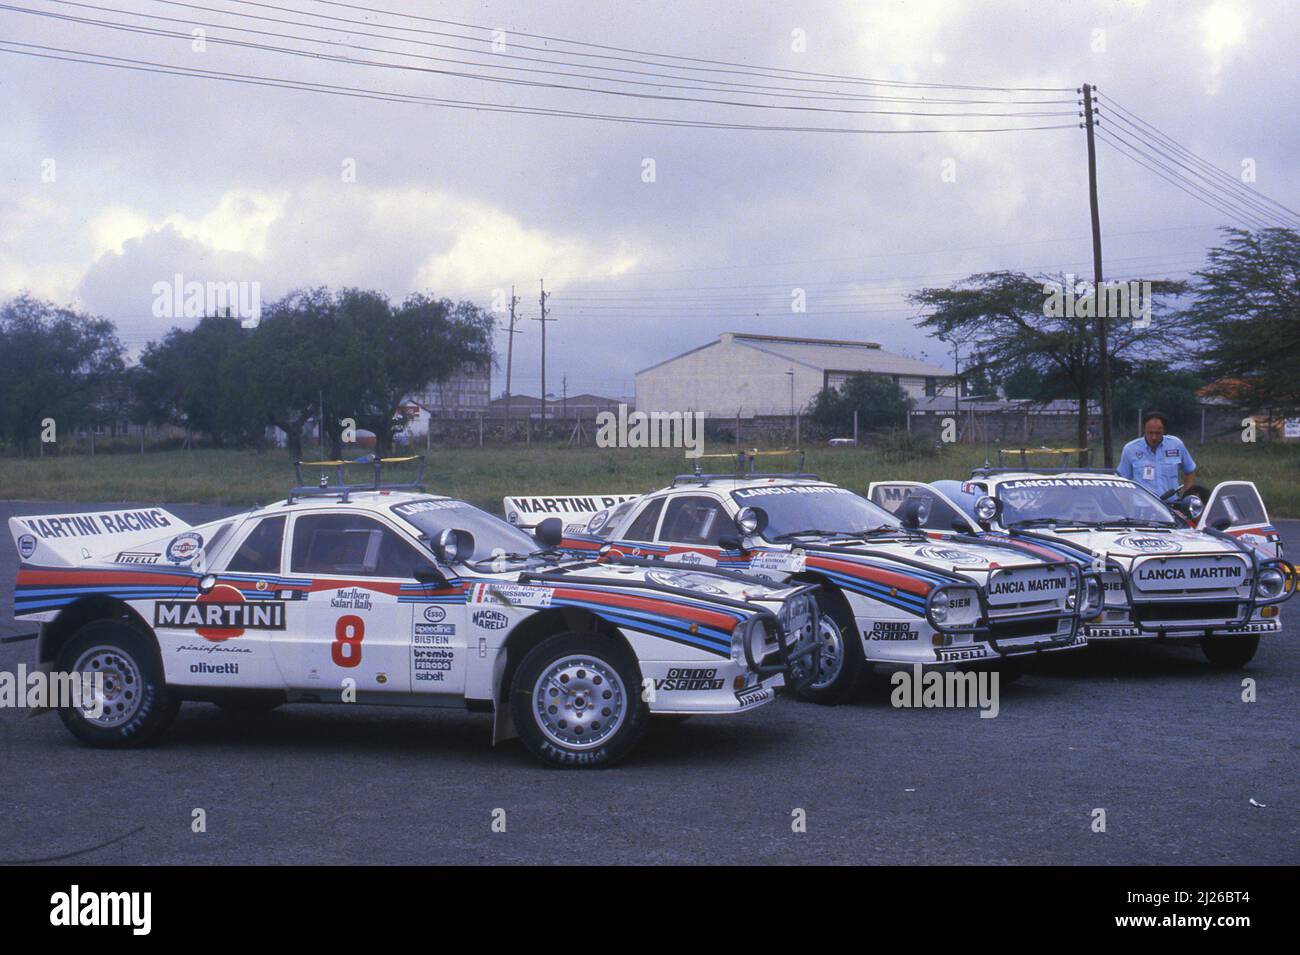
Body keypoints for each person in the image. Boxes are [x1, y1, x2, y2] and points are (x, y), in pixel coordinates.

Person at [1116, 411, 1197, 498]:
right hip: (1142, 504)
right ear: (1144, 430)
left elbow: (1190, 471)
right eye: (1150, 433)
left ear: (1164, 430)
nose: (1154, 437)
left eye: (1158, 433)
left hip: (1171, 503)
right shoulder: (1130, 449)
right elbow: (1121, 481)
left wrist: (1186, 496)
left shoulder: (1176, 445)